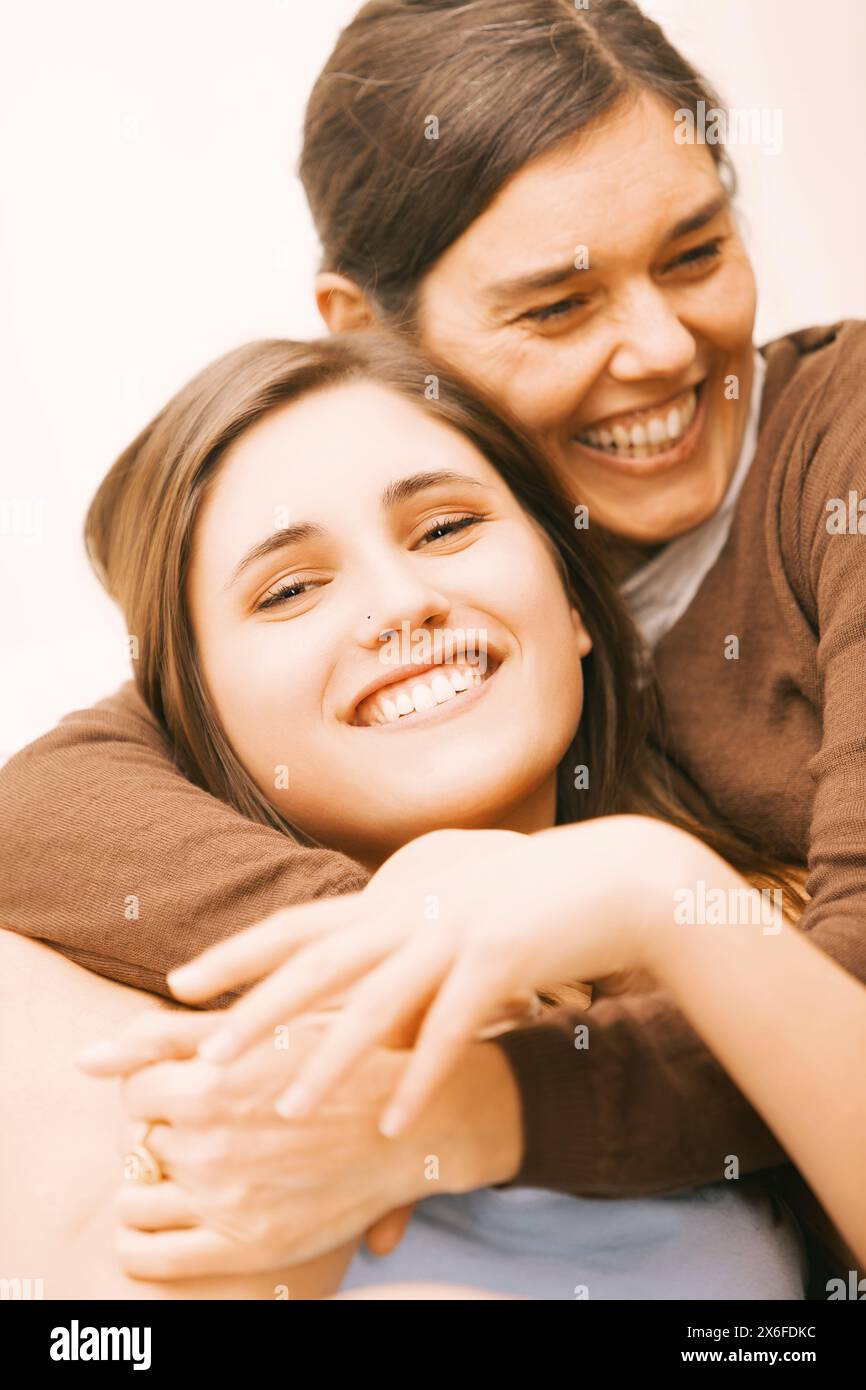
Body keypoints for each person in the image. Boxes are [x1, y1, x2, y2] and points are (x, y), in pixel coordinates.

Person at [2, 0, 864, 1284]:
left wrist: (616, 928)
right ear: (371, 326)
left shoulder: (828, 451)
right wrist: (405, 948)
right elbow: (50, 799)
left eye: (693, 254)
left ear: (571, 606)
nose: (662, 347)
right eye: (556, 304)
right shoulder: (133, 1009)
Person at [7, 332, 810, 1298]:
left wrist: (659, 895)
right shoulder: (70, 1008)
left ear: (575, 606)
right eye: (291, 590)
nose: (402, 604)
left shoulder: (783, 942)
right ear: (191, 720)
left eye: (445, 529)